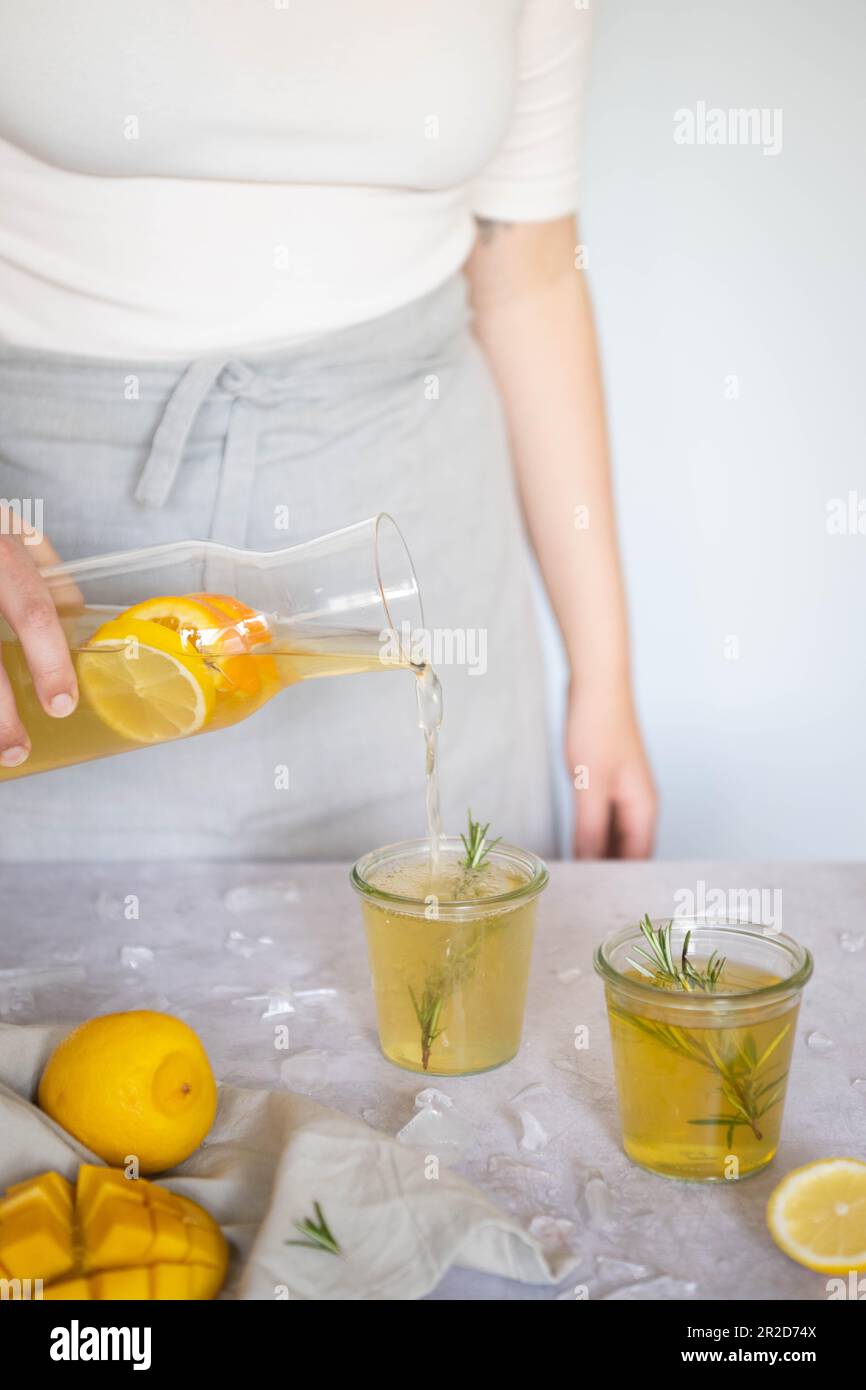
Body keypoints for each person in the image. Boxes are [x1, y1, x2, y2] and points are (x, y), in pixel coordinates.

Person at [0, 0, 656, 861]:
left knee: (433, 973)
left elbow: (527, 273)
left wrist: (604, 680)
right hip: (64, 569)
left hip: (422, 544)